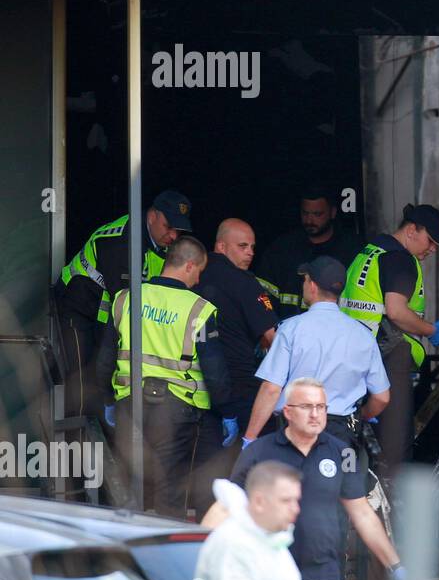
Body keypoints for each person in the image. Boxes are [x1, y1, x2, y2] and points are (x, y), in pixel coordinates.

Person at [202, 377, 403, 580]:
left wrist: (395, 567)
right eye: (307, 407)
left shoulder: (343, 453)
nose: (315, 414)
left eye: (321, 407)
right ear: (287, 412)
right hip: (266, 577)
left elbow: (362, 512)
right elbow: (227, 505)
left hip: (322, 578)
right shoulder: (259, 452)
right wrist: (197, 558)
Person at [93, 234, 232, 518]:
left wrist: (107, 399)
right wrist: (227, 412)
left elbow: (104, 359)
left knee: (131, 485)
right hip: (176, 411)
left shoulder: (124, 299)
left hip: (128, 406)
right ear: (190, 266)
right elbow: (215, 372)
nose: (198, 281)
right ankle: (165, 557)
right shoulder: (199, 310)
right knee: (170, 490)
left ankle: (124, 552)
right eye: (200, 273)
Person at [53, 189, 193, 430]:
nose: (173, 235)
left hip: (103, 313)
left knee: (102, 377)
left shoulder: (160, 243)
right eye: (168, 226)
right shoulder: (122, 242)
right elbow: (127, 307)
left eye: (178, 230)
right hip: (76, 307)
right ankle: (71, 449)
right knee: (80, 380)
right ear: (152, 216)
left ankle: (98, 441)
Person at [340, 203, 439, 467]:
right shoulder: (401, 260)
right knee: (394, 452)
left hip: (354, 358)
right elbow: (397, 312)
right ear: (412, 230)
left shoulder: (370, 251)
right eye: (431, 240)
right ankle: (390, 506)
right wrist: (431, 330)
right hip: (387, 359)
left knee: (357, 442)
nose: (432, 249)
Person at [243, 256, 390, 452]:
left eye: (304, 280)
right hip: (342, 434)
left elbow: (271, 388)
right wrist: (359, 416)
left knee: (295, 482)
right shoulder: (364, 335)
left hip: (296, 430)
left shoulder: (291, 329)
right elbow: (382, 397)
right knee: (338, 480)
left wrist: (250, 439)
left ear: (312, 285)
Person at [194, 219, 278, 500]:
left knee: (208, 466)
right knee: (254, 463)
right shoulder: (246, 283)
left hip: (199, 384)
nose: (250, 252)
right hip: (241, 385)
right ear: (220, 246)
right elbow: (271, 337)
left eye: (253, 247)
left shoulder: (195, 276)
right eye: (242, 246)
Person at [194, 462, 328, 580]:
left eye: (296, 500)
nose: (295, 509)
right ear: (258, 501)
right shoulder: (232, 541)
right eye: (286, 500)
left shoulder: (269, 538)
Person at [257, 187, 363, 319]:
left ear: (333, 212)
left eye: (317, 214)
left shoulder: (351, 250)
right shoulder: (282, 249)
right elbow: (261, 294)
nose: (309, 220)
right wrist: (268, 325)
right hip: (289, 333)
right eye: (305, 213)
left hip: (333, 332)